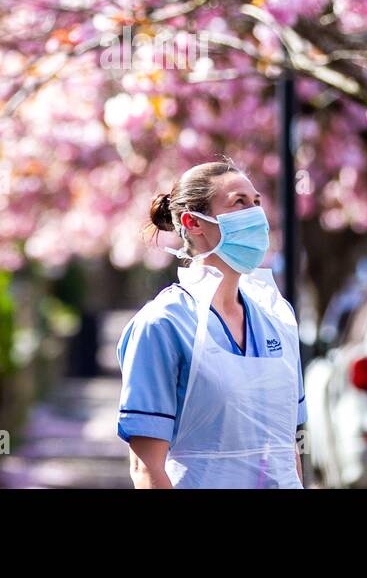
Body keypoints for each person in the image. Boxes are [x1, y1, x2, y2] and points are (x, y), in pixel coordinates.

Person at [115, 158, 306, 488]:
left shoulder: (278, 318)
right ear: (193, 222)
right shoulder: (163, 325)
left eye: (257, 202)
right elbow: (146, 469)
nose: (256, 216)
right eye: (239, 203)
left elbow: (287, 448)